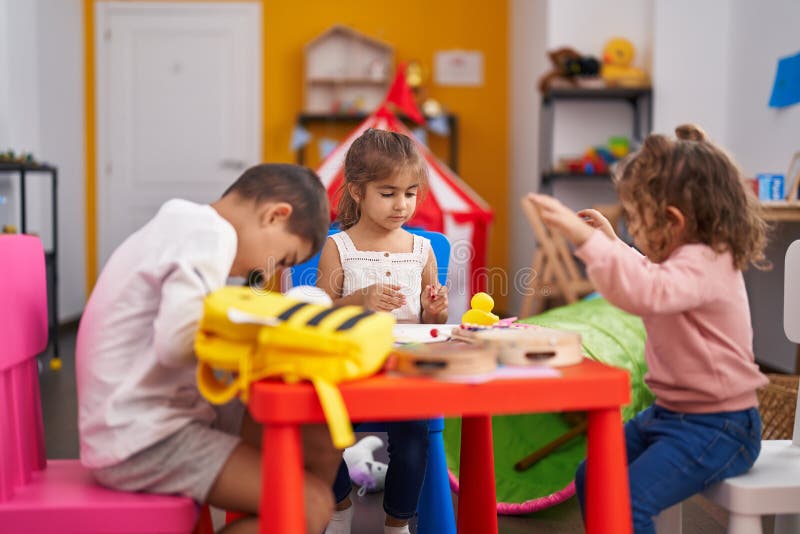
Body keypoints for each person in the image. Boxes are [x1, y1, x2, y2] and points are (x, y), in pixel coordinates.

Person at [527, 124, 769, 534]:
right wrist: (614, 244)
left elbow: (647, 291)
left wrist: (586, 240)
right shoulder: (689, 259)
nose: (633, 228)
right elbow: (654, 275)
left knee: (626, 500)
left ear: (673, 221)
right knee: (591, 476)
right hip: (671, 416)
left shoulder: (707, 261)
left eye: (636, 221)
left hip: (720, 426)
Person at [76, 164, 340, 534]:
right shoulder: (209, 232)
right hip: (140, 438)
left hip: (143, 419)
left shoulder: (187, 226)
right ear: (275, 215)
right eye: (283, 259)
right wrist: (268, 333)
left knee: (319, 439)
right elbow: (178, 341)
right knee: (310, 505)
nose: (270, 272)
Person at [317, 128, 448, 534]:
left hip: (403, 372)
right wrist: (359, 299)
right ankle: (339, 508)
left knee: (414, 439)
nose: (402, 205)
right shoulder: (340, 247)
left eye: (410, 193)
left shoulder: (420, 250)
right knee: (318, 434)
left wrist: (435, 312)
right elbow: (317, 314)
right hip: (348, 372)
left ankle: (397, 525)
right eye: (388, 193)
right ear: (357, 191)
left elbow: (431, 327)